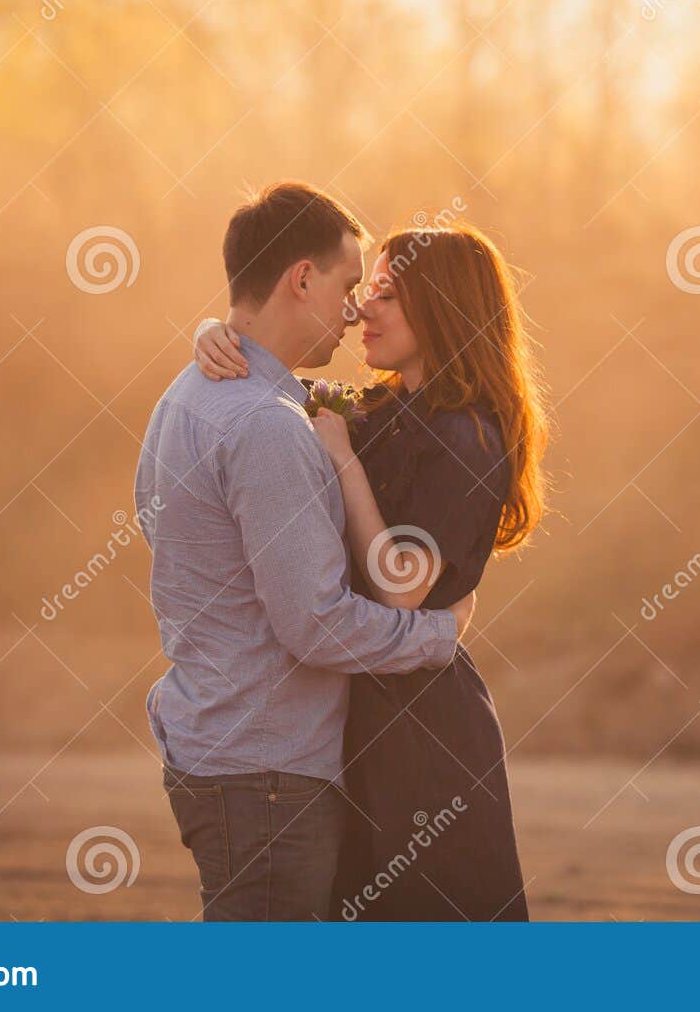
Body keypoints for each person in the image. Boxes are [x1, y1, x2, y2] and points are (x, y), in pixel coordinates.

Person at [135, 181, 476, 921]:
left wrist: (209, 328)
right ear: (301, 278)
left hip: (219, 750)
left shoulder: (187, 396)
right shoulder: (267, 426)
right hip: (265, 773)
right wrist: (437, 634)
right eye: (349, 285)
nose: (355, 309)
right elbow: (314, 622)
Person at [193, 219, 548, 920]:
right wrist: (213, 332)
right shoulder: (385, 407)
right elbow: (272, 385)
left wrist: (345, 461)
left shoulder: (468, 434)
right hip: (358, 714)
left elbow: (400, 583)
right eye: (365, 289)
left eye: (385, 291)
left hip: (423, 733)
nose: (361, 308)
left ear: (443, 304)